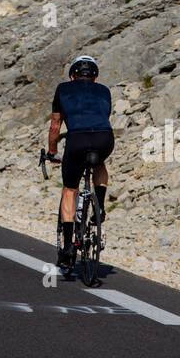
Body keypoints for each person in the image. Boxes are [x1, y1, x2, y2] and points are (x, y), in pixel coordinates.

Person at [45, 55, 114, 268]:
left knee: (69, 190)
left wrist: (52, 150)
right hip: (104, 138)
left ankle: (68, 247)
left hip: (77, 139)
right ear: (95, 77)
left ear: (72, 75)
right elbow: (102, 116)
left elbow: (56, 125)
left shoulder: (63, 89)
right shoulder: (104, 90)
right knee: (99, 163)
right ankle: (99, 205)